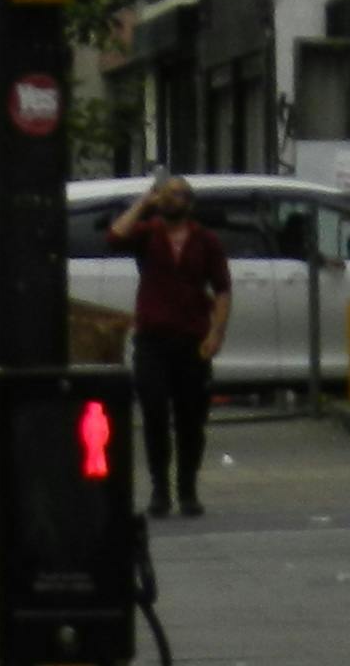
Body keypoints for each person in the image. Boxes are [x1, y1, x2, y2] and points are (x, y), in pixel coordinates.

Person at [108, 175, 233, 516]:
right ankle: (160, 489)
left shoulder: (206, 241)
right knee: (153, 413)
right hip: (152, 340)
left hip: (192, 340)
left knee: (191, 418)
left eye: (177, 194)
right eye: (165, 194)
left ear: (189, 202)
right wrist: (142, 203)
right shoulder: (147, 234)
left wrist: (216, 332)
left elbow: (222, 289)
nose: (170, 199)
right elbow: (115, 236)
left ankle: (187, 489)